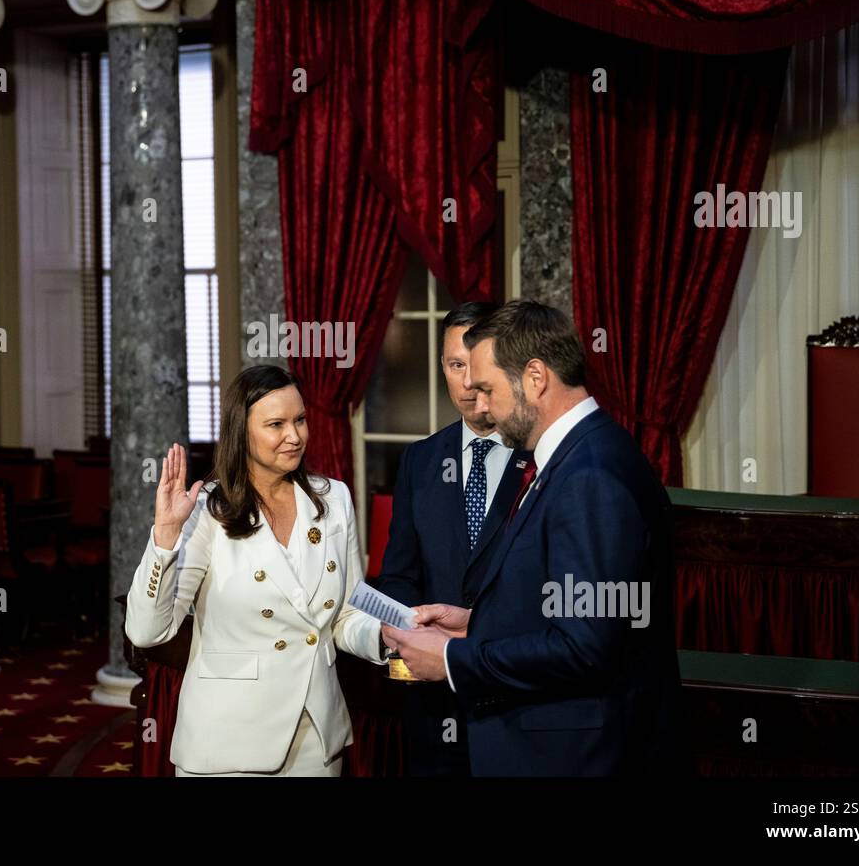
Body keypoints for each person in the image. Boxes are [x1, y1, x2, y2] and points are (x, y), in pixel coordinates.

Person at [383, 300, 687, 776]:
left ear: (535, 377)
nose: (479, 405)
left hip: (579, 756)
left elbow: (584, 646)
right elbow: (554, 604)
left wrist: (452, 657)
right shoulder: (580, 454)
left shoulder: (591, 474)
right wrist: (475, 623)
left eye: (487, 388)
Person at [125, 364, 388, 776]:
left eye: (300, 419)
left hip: (315, 738)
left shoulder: (334, 499)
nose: (295, 436)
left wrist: (387, 635)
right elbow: (147, 632)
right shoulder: (207, 511)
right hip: (227, 739)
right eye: (276, 424)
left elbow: (348, 614)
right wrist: (165, 536)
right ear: (241, 432)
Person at [373, 302, 535, 776]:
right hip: (433, 706)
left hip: (518, 702)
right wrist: (400, 628)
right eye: (454, 364)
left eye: (476, 366)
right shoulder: (421, 461)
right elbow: (400, 573)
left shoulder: (541, 457)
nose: (466, 383)